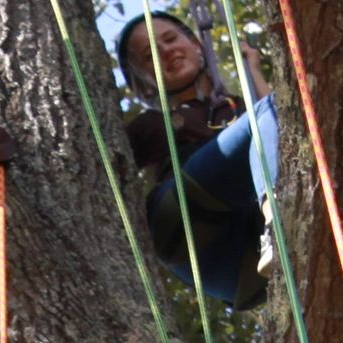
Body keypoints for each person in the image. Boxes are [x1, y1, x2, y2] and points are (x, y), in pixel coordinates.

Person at [118, 9, 282, 308]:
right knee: (268, 113)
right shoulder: (151, 125)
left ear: (196, 45)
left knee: (273, 114)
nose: (166, 51)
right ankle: (280, 226)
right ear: (143, 81)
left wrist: (252, 70)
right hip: (190, 234)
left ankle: (279, 228)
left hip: (246, 266)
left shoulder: (243, 108)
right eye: (149, 54)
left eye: (170, 39)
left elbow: (286, 131)